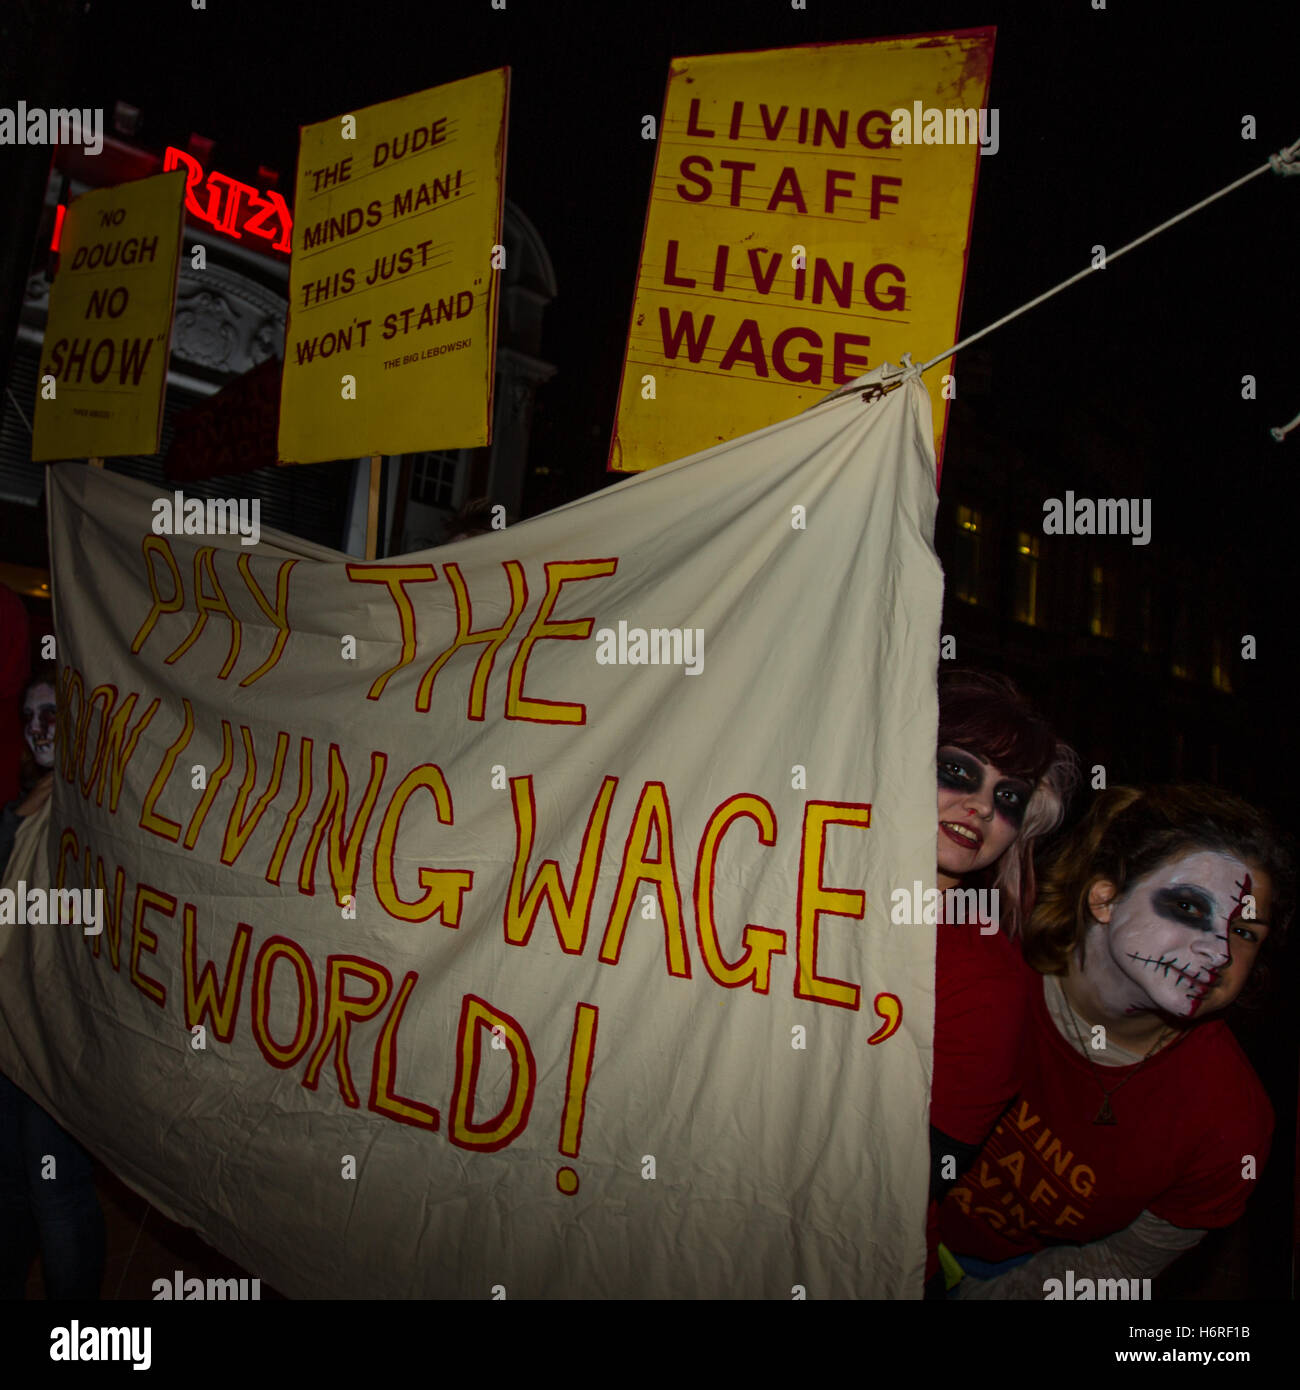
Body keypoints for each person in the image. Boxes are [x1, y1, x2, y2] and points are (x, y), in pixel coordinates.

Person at [938, 783, 1293, 1298]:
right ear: (1105, 898)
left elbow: (1119, 1265)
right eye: (1192, 907)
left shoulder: (1230, 1123)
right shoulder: (983, 953)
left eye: (1244, 933)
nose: (1217, 951)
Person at [925, 670, 1078, 1294]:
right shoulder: (793, 886)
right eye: (959, 772)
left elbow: (920, 1176)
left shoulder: (990, 980)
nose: (985, 807)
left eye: (1009, 797)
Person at [1, 667, 106, 1300]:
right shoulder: (15, 816)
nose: (39, 727)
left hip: (61, 1039)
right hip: (9, 1035)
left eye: (53, 715)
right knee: (12, 1180)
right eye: (29, 716)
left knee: (55, 1187)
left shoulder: (93, 821)